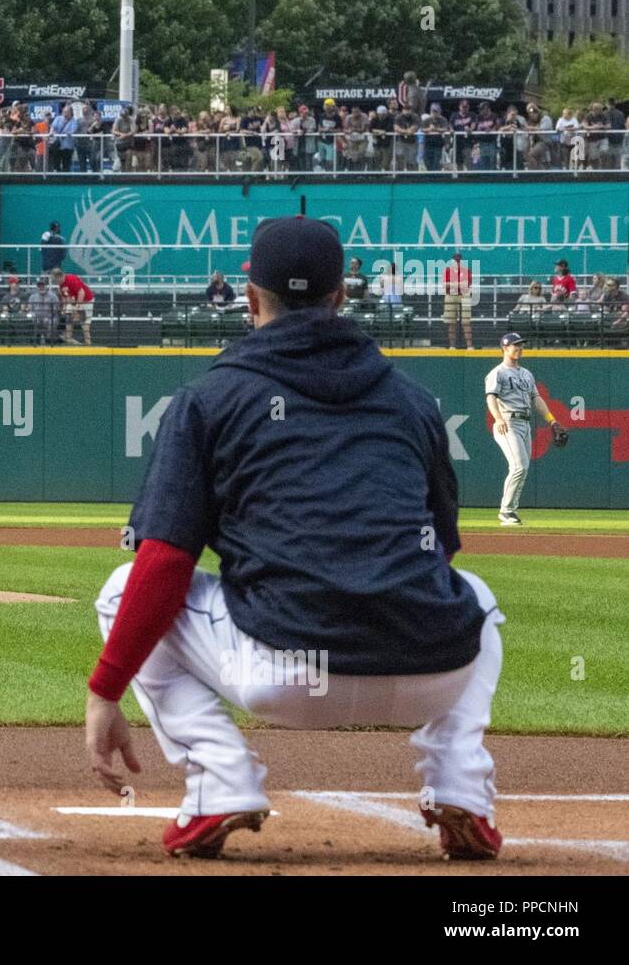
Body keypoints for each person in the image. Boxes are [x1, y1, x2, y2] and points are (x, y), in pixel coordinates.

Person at [85, 216, 505, 861]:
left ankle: (220, 783)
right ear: (342, 297)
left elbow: (165, 560)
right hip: (431, 670)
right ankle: (461, 787)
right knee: (473, 594)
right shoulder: (411, 400)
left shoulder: (211, 398)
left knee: (124, 590)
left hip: (283, 676)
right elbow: (442, 551)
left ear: (250, 299)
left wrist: (104, 690)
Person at [486, 333, 566, 526]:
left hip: (525, 423)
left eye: (521, 345)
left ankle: (510, 510)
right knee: (519, 466)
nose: (519, 348)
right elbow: (491, 397)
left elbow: (536, 399)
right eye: (515, 345)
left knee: (523, 468)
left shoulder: (526, 374)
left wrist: (552, 421)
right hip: (507, 421)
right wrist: (497, 419)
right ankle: (506, 511)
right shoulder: (498, 372)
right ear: (504, 348)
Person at [52, 267, 94, 344]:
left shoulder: (71, 279)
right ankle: (69, 338)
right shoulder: (61, 286)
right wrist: (64, 308)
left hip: (86, 300)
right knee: (68, 316)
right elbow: (65, 297)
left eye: (56, 280)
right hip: (73, 300)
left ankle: (88, 341)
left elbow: (81, 292)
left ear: (60, 276)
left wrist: (78, 306)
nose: (56, 282)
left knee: (84, 321)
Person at [442, 251, 474, 349]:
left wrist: (452, 283)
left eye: (459, 261)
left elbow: (466, 284)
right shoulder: (447, 271)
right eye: (455, 261)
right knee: (451, 322)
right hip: (450, 295)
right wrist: (458, 284)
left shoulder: (466, 270)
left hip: (464, 295)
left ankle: (469, 346)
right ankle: (452, 346)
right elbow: (444, 285)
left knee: (466, 322)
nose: (457, 262)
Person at [26, 277, 61, 345]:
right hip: (37, 318)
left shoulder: (53, 296)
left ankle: (48, 340)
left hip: (51, 317)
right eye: (39, 285)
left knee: (51, 321)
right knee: (33, 320)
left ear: (46, 286)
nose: (41, 287)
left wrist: (48, 317)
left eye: (43, 285)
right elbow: (30, 309)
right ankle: (35, 340)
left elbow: (56, 309)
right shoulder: (33, 297)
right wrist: (34, 316)